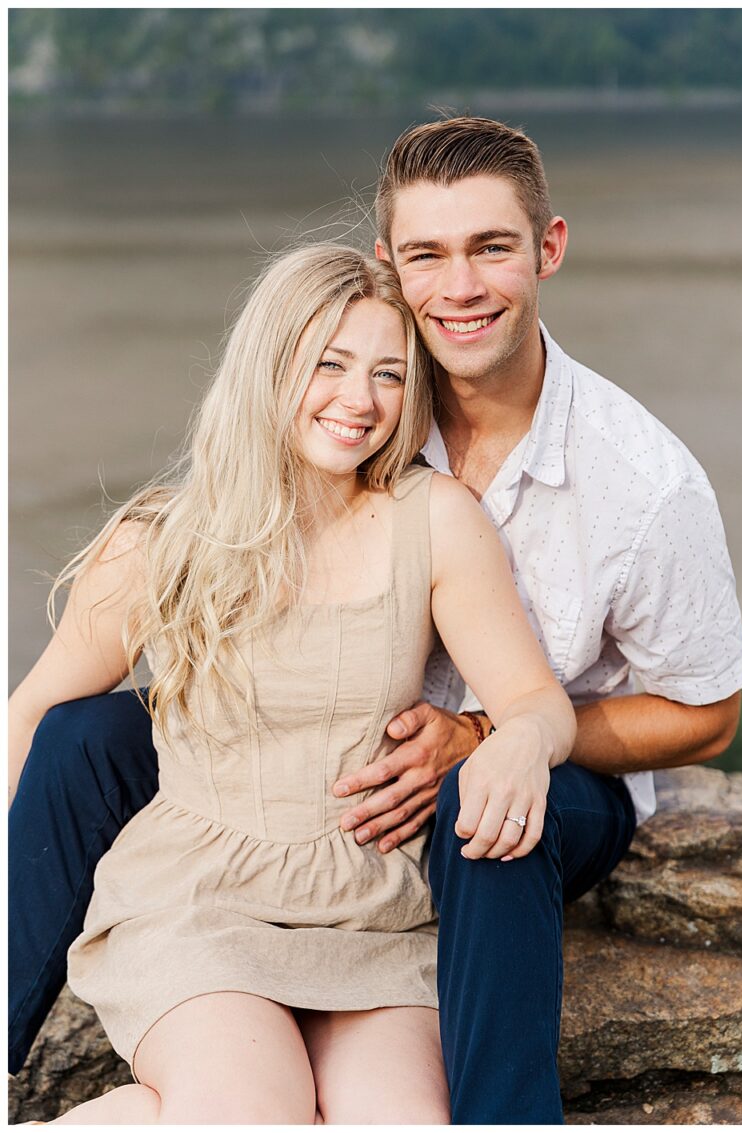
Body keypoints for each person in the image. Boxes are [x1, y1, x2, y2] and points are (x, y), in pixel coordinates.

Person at [8, 117, 742, 1123]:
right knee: (83, 731)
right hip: (239, 835)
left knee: (484, 818)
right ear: (389, 266)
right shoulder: (357, 381)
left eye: (491, 247)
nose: (459, 288)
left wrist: (493, 736)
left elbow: (705, 713)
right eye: (427, 257)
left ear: (548, 247)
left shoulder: (632, 482)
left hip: (446, 828)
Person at [8, 244, 579, 1122]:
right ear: (268, 367)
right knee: (248, 1112)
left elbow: (537, 701)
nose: (361, 400)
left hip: (374, 910)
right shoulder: (160, 541)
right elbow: (36, 710)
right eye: (329, 363)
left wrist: (521, 743)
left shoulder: (435, 520)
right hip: (200, 903)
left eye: (389, 372)